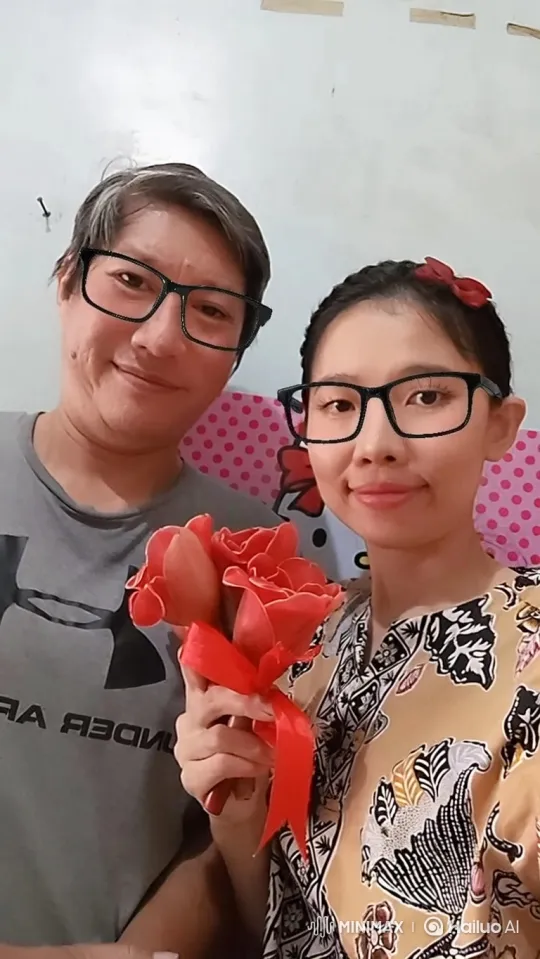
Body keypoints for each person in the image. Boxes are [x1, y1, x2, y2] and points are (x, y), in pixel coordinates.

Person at [176, 257, 540, 957]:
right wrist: (239, 807)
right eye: (339, 404)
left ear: (500, 424)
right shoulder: (299, 641)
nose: (375, 445)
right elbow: (282, 924)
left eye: (427, 396)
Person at [0, 161, 280, 953]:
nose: (160, 336)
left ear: (234, 351)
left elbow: (234, 832)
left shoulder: (259, 563)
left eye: (210, 311)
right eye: (130, 280)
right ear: (66, 281)